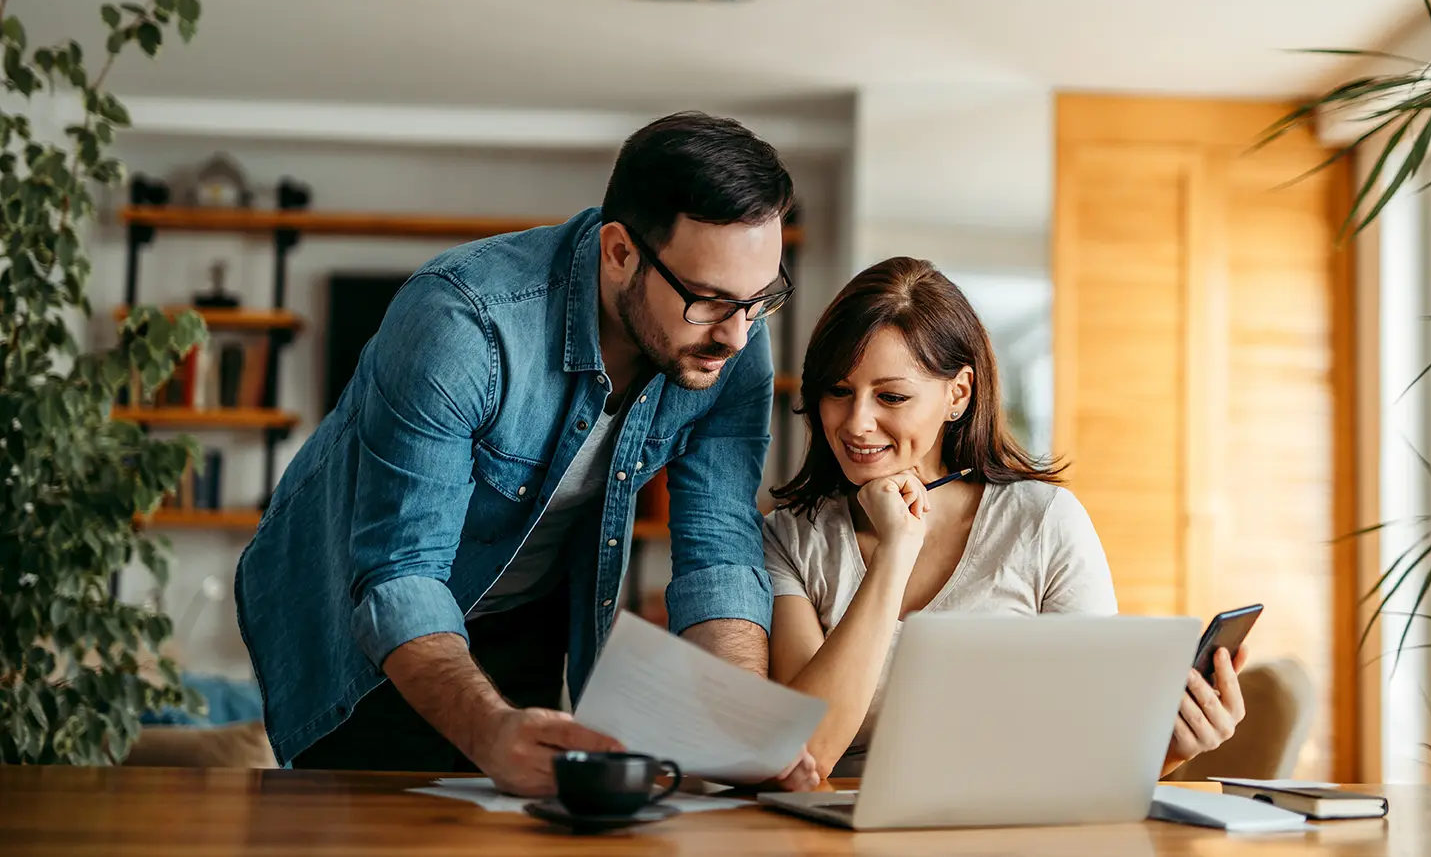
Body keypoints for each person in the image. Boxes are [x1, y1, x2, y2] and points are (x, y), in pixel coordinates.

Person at [236, 111, 818, 794]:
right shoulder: (461, 324)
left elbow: (719, 545)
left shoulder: (734, 333)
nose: (737, 335)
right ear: (620, 253)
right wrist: (485, 728)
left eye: (759, 300)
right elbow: (401, 571)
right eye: (710, 300)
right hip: (366, 624)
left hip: (526, 613)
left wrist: (739, 725)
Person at [763, 257, 1246, 778]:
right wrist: (896, 553)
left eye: (891, 396)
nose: (857, 423)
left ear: (958, 394)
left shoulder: (1044, 524)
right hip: (834, 819)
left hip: (1007, 815)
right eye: (838, 391)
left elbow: (1095, 747)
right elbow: (807, 754)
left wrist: (1173, 749)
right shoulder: (789, 538)